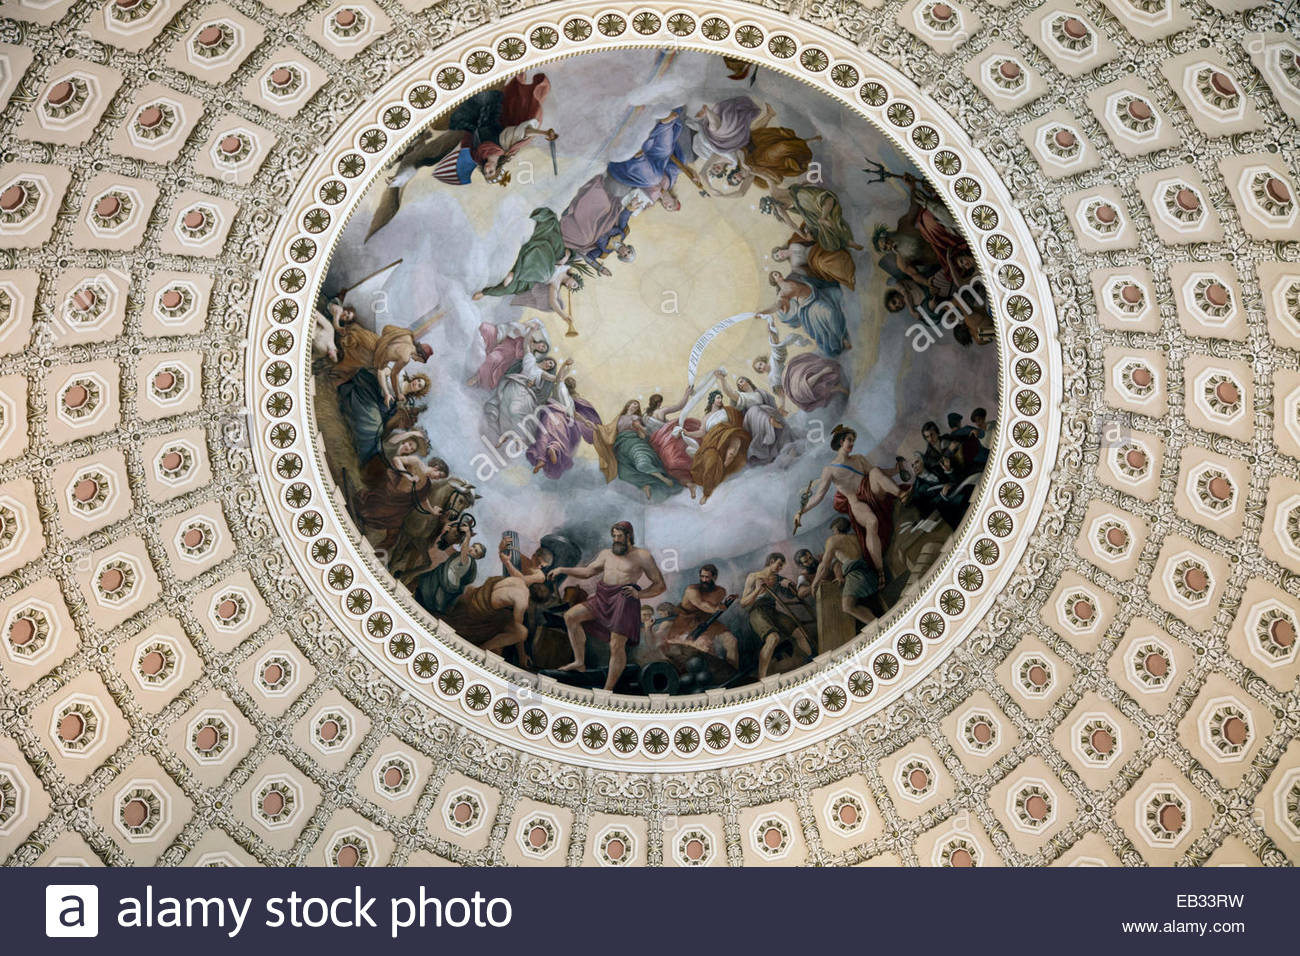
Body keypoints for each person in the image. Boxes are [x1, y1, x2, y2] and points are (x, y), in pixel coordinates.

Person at [550, 522, 667, 691]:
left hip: (624, 600)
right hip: (603, 596)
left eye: (620, 536)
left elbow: (659, 585)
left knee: (616, 645)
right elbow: (588, 572)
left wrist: (639, 594)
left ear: (629, 536)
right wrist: (562, 569)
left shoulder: (642, 556)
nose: (616, 540)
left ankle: (608, 689)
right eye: (614, 536)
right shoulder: (606, 554)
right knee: (571, 616)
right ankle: (579, 662)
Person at [796, 425, 902, 574]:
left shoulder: (858, 459)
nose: (852, 444)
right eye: (850, 440)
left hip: (872, 493)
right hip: (857, 503)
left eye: (853, 440)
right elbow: (819, 496)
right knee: (872, 522)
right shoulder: (830, 470)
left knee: (875, 471)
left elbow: (878, 475)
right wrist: (801, 511)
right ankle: (880, 570)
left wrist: (895, 471)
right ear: (841, 442)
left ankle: (901, 495)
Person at [741, 553, 813, 679]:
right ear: (771, 561)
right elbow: (743, 603)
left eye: (782, 566)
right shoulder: (753, 577)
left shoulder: (777, 579)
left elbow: (791, 596)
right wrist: (757, 590)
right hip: (757, 612)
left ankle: (812, 661)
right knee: (773, 638)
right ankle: (761, 678)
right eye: (779, 564)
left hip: (772, 611)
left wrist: (790, 585)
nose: (780, 568)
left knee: (798, 632)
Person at [752, 319, 847, 413]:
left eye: (760, 364)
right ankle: (834, 388)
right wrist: (782, 406)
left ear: (763, 361)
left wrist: (771, 331)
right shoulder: (771, 380)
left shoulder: (773, 359)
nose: (761, 367)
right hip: (789, 386)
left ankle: (824, 372)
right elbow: (781, 394)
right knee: (800, 394)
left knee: (802, 386)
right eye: (759, 368)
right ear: (761, 371)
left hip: (791, 372)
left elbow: (776, 345)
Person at [592, 399, 678, 500]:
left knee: (642, 463)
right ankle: (645, 485)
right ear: (628, 405)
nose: (636, 406)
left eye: (637, 405)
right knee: (624, 474)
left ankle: (663, 479)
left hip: (634, 442)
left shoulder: (636, 418)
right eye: (634, 404)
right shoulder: (619, 418)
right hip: (621, 446)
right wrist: (594, 427)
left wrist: (639, 427)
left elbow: (644, 434)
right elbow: (607, 430)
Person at [526, 375, 601, 478]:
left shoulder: (567, 397)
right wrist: (585, 421)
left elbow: (574, 413)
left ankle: (541, 458)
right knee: (559, 439)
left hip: (552, 414)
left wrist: (585, 421)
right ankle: (553, 449)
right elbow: (574, 413)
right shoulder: (560, 390)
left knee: (543, 436)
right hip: (561, 419)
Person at [763, 269, 850, 357]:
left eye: (777, 273)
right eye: (775, 275)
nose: (778, 274)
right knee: (829, 313)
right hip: (810, 305)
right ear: (774, 281)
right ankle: (842, 338)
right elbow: (776, 306)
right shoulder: (782, 294)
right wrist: (763, 312)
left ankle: (845, 328)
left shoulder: (792, 277)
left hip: (818, 294)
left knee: (837, 293)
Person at [809, 516, 879, 625]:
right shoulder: (855, 537)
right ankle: (874, 621)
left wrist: (814, 583)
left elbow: (824, 566)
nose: (833, 533)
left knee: (847, 606)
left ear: (836, 529)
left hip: (856, 577)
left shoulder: (833, 540)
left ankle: (876, 624)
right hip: (869, 573)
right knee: (855, 604)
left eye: (833, 530)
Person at [685, 389, 751, 503]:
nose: (720, 400)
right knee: (711, 463)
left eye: (721, 398)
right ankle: (707, 493)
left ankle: (724, 467)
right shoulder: (706, 417)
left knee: (732, 450)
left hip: (728, 434)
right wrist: (688, 433)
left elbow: (737, 417)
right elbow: (702, 432)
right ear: (712, 400)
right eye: (718, 398)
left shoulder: (727, 411)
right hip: (712, 443)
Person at [668, 564, 739, 666]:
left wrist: (727, 602)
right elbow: (702, 605)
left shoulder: (720, 591)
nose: (704, 580)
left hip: (708, 622)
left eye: (707, 577)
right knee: (704, 649)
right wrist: (717, 608)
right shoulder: (691, 590)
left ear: (714, 577)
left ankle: (733, 672)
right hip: (687, 624)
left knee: (732, 641)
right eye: (702, 576)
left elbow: (714, 606)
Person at [714, 371, 789, 465]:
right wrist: (722, 379)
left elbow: (772, 405)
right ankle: (769, 424)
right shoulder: (743, 396)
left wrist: (782, 402)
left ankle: (774, 429)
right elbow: (730, 392)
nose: (740, 385)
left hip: (767, 412)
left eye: (741, 382)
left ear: (747, 381)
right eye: (738, 385)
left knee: (777, 422)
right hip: (753, 417)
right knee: (755, 410)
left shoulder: (760, 392)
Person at [642, 389, 699, 496]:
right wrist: (686, 393)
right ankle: (693, 479)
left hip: (658, 445)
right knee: (684, 451)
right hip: (667, 440)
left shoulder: (644, 416)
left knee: (672, 464)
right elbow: (680, 405)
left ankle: (688, 483)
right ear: (659, 403)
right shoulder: (661, 411)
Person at [467, 317, 548, 391]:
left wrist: (532, 330)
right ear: (541, 342)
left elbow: (524, 344)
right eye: (543, 346)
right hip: (505, 343)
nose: (541, 347)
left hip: (507, 355)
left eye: (542, 349)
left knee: (493, 358)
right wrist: (530, 327)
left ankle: (476, 378)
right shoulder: (529, 338)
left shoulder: (529, 352)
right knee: (486, 329)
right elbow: (516, 330)